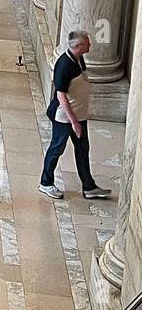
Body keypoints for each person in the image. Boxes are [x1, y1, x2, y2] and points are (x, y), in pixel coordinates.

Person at [39, 30, 113, 201]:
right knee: (57, 148)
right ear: (79, 46)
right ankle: (46, 182)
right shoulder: (64, 65)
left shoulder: (79, 58)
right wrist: (74, 122)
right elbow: (60, 95)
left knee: (82, 149)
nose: (90, 45)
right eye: (88, 42)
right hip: (65, 117)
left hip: (79, 115)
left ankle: (89, 187)